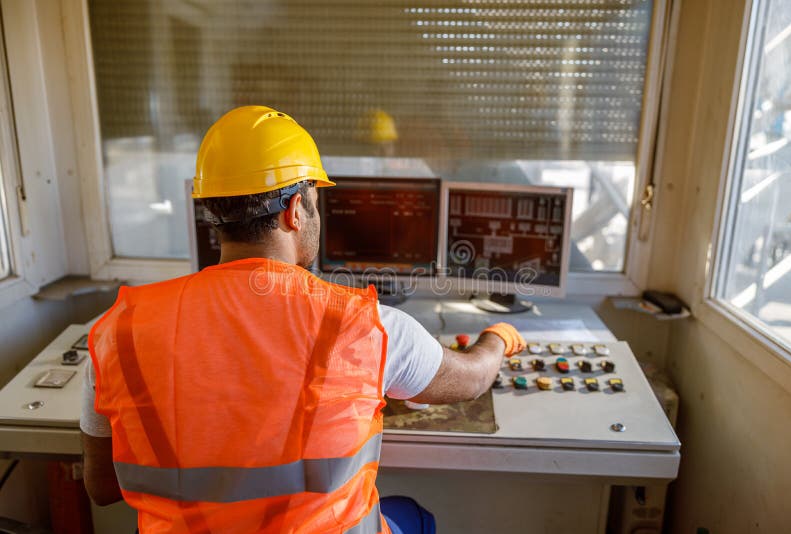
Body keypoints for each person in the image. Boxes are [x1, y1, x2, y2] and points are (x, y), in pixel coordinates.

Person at [80, 106, 527, 533]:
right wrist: (497, 338)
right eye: (315, 201)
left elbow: (101, 488)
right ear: (295, 210)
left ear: (212, 214)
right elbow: (470, 379)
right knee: (412, 514)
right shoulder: (368, 326)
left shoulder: (117, 332)